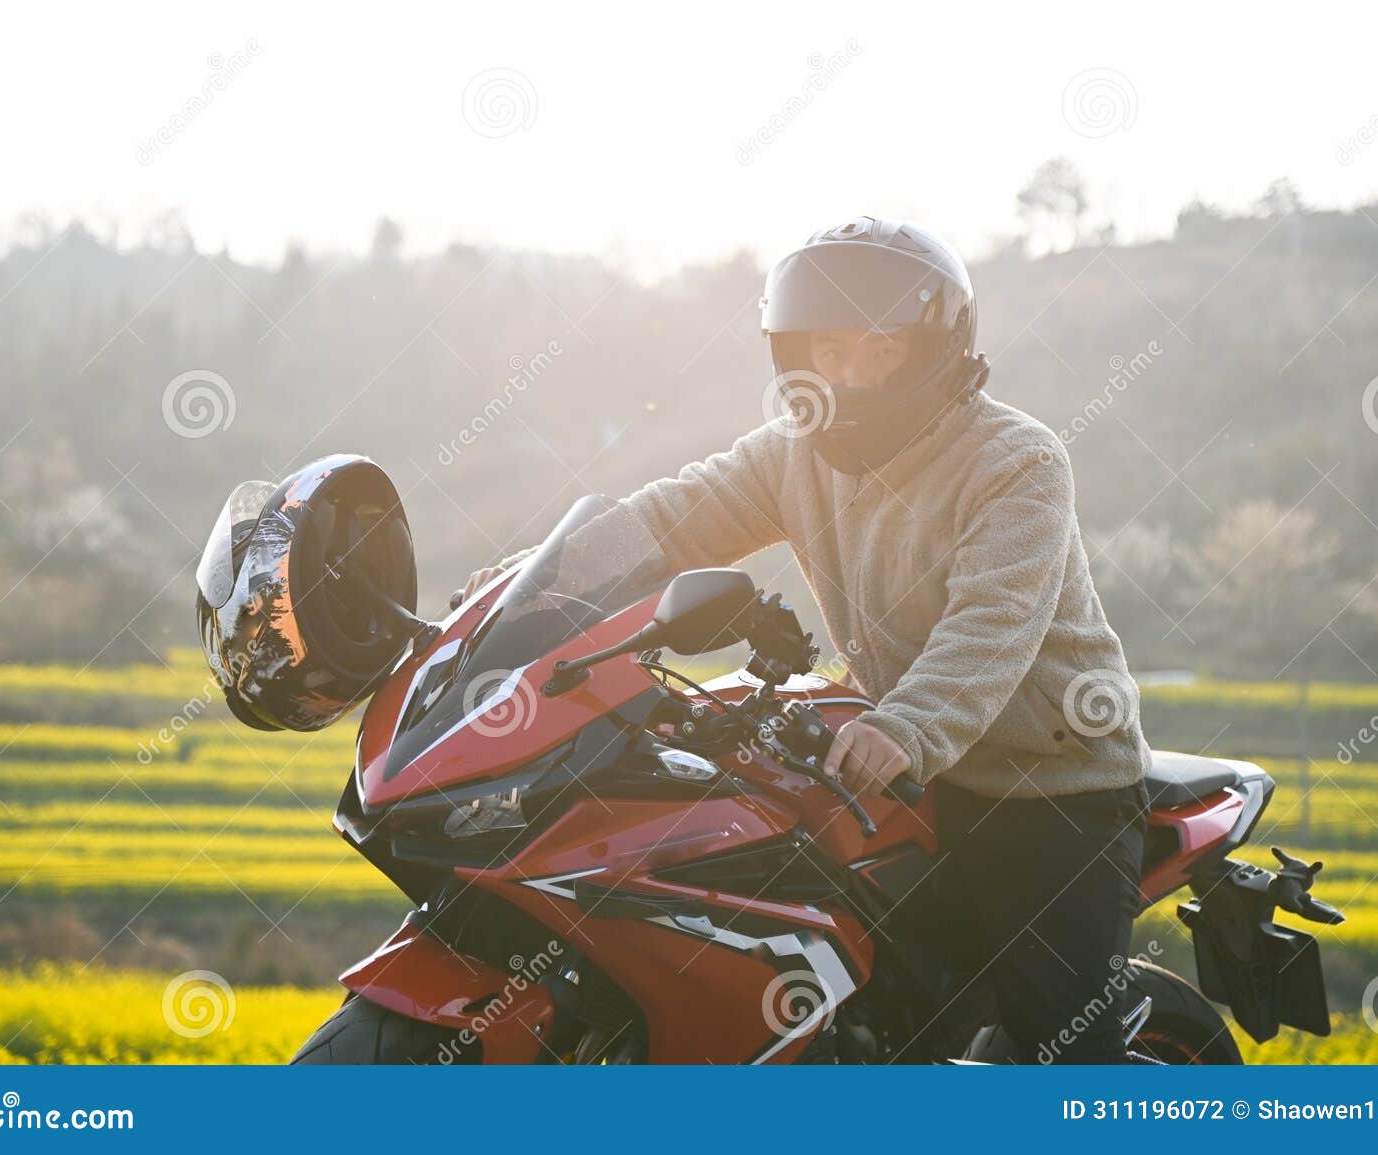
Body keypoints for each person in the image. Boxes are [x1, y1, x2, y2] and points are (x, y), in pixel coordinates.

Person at [462, 217, 1153, 1063]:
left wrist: (904, 727)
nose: (848, 372)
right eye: (827, 351)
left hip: (1050, 785)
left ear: (931, 347)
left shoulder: (1016, 462)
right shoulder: (798, 453)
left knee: (1064, 1040)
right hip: (903, 770)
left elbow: (991, 629)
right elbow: (671, 519)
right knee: (875, 1018)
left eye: (877, 349)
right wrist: (527, 582)